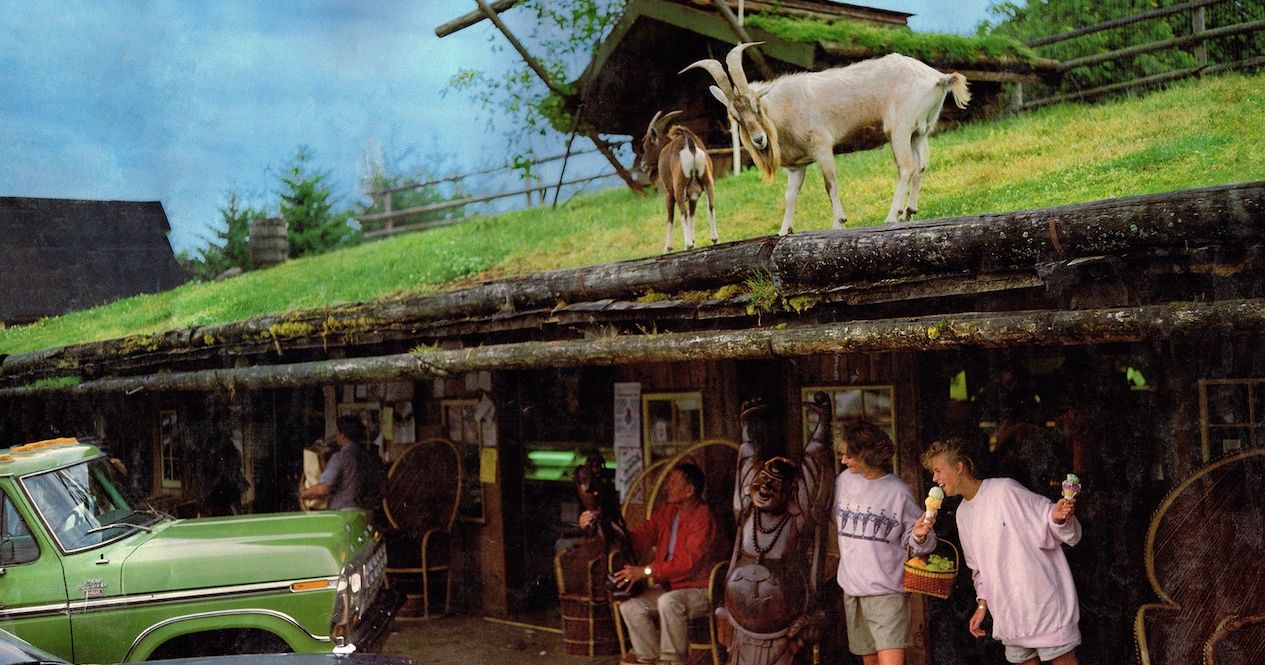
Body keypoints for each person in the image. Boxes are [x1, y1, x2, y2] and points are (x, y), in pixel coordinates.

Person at [922, 436, 1082, 665]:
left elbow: (1045, 518)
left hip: (1042, 605)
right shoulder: (962, 514)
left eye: (938, 470)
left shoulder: (1004, 490)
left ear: (959, 467)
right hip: (1009, 614)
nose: (934, 478)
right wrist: (981, 607)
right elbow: (978, 569)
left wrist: (1056, 516)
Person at [583, 463, 720, 665]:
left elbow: (688, 563)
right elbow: (637, 540)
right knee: (631, 607)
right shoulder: (667, 513)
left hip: (699, 590)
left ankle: (672, 661)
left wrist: (647, 571)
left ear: (690, 490)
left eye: (673, 483)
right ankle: (650, 658)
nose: (666, 487)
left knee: (668, 602)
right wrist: (601, 522)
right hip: (670, 587)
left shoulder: (703, 517)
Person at [834, 419, 936, 665]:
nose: (843, 461)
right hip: (852, 589)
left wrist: (920, 534)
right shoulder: (842, 482)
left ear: (865, 455)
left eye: (848, 455)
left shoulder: (897, 491)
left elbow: (922, 541)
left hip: (886, 593)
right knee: (870, 662)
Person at [300, 415, 385, 512]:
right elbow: (382, 488)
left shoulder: (339, 457)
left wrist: (304, 493)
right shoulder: (369, 457)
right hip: (366, 513)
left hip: (342, 514)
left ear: (342, 435)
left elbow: (322, 489)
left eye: (337, 433)